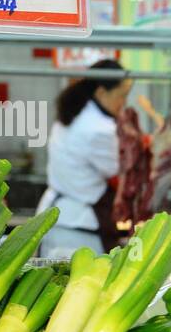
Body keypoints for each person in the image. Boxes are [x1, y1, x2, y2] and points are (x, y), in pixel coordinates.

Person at [38, 59, 133, 258]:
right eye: (122, 96)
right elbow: (117, 169)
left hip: (61, 218)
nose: (124, 103)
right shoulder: (98, 129)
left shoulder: (77, 113)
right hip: (76, 225)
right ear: (101, 93)